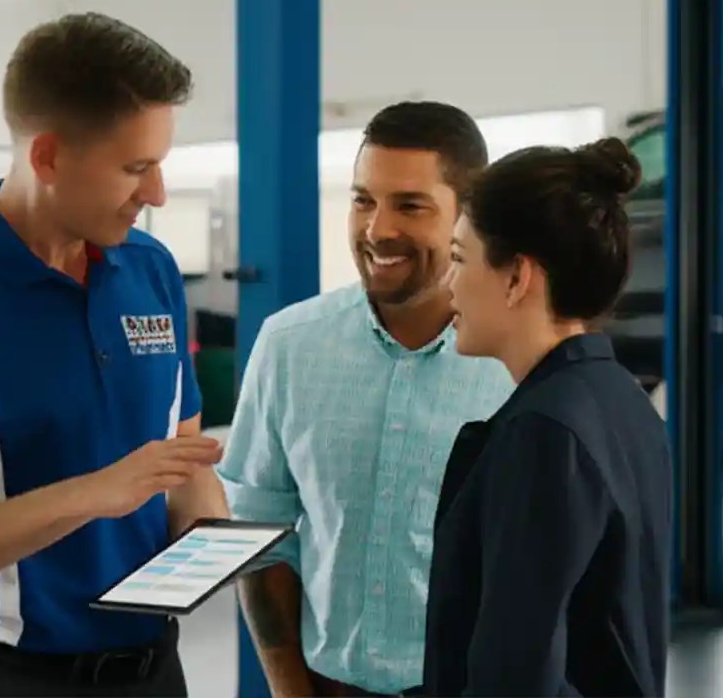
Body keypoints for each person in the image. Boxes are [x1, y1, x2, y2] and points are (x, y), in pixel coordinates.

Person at [0, 12, 229, 697]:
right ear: (48, 156)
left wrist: (210, 537)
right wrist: (96, 493)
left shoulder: (152, 270)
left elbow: (181, 465)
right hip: (4, 677)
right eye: (135, 168)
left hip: (154, 672)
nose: (157, 194)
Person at [215, 102, 515, 697]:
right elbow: (259, 535)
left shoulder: (514, 362)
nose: (378, 229)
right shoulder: (289, 345)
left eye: (410, 205)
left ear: (466, 216)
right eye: (363, 200)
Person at [421, 138, 672, 697]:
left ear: (518, 278)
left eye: (460, 259)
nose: (448, 284)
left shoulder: (545, 435)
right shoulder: (621, 401)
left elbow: (516, 668)